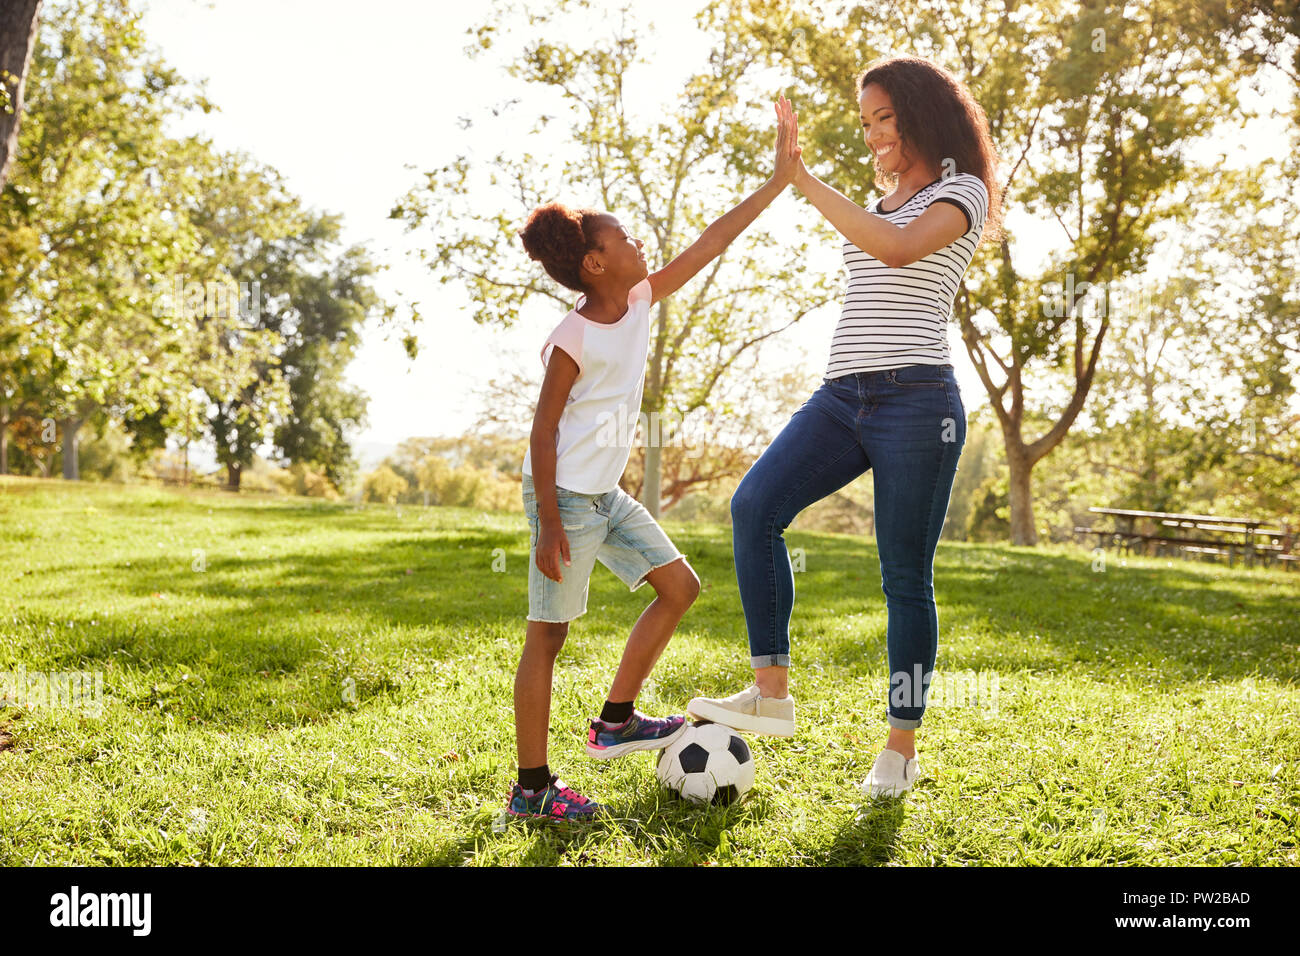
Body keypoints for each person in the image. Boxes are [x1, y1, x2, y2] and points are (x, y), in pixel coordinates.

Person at [689, 57, 1003, 799]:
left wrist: (801, 180)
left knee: (903, 576)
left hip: (918, 401)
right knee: (755, 507)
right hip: (842, 394)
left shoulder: (964, 192)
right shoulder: (882, 196)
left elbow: (895, 250)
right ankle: (771, 690)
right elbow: (874, 245)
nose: (871, 133)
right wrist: (810, 181)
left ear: (923, 115)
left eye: (882, 118)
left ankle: (900, 746)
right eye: (864, 121)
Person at [506, 97, 804, 821]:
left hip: (603, 496)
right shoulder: (571, 339)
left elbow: (707, 244)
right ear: (595, 262)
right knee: (548, 636)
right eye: (627, 238)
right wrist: (548, 523)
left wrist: (775, 183)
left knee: (679, 588)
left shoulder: (636, 300)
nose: (642, 246)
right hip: (565, 500)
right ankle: (532, 789)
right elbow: (543, 433)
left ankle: (616, 721)